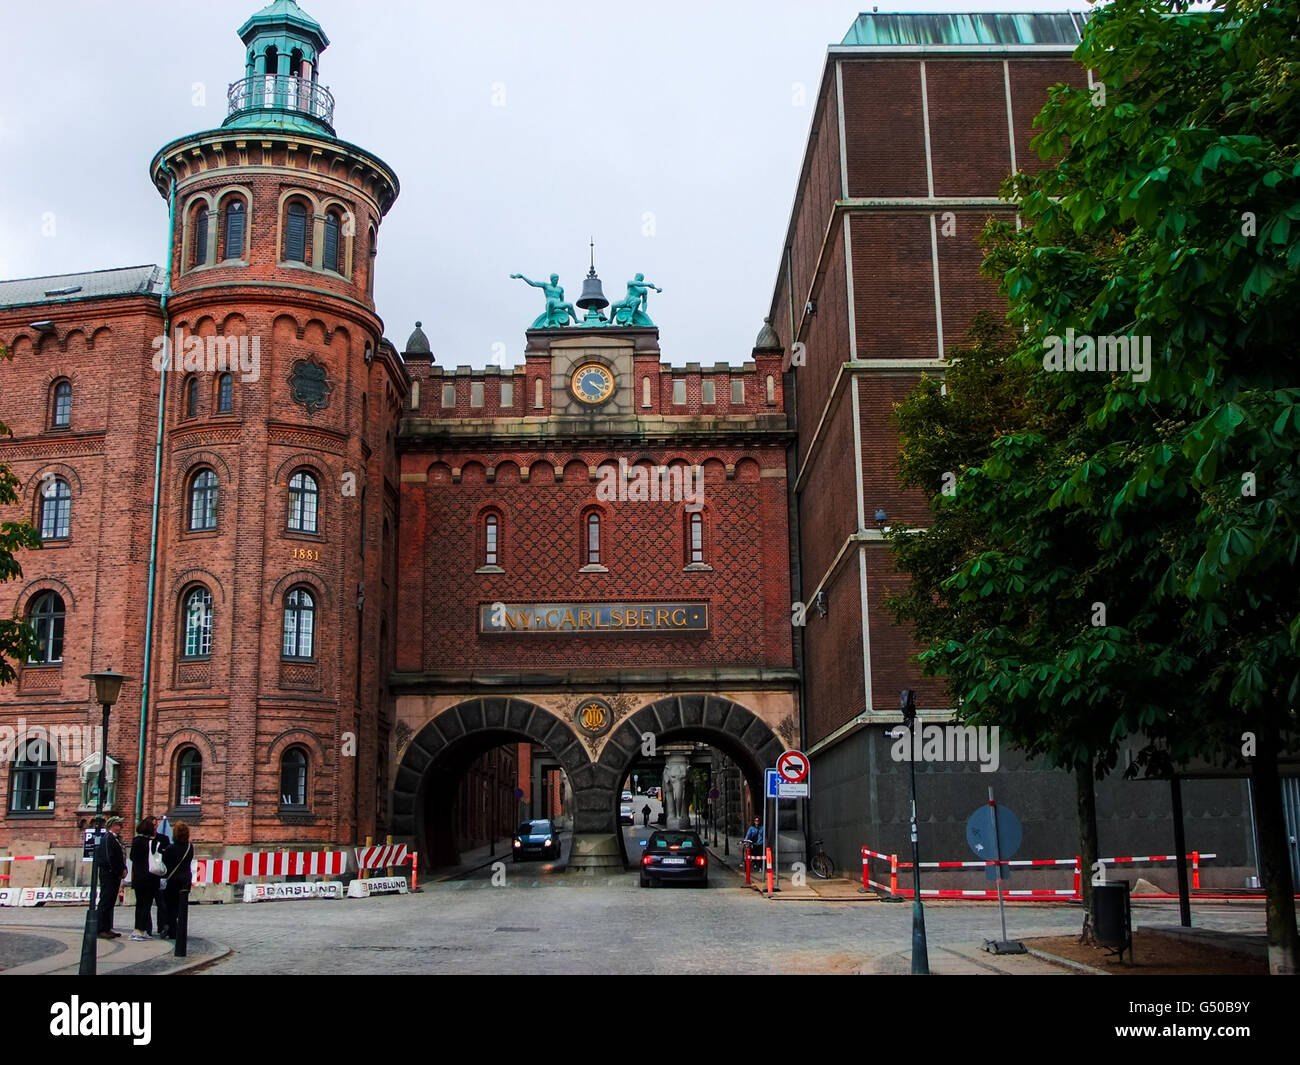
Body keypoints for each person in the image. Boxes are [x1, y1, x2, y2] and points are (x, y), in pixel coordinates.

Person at [159, 821, 193, 941]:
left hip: (172, 880)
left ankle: (172, 929)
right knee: (181, 906)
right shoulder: (190, 847)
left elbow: (165, 863)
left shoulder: (170, 848)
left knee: (170, 905)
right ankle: (180, 929)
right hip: (186, 880)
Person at [128, 817, 161, 941]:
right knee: (146, 905)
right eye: (154, 826)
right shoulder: (151, 843)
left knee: (140, 904)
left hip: (138, 877)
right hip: (150, 878)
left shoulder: (136, 841)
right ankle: (140, 930)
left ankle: (139, 929)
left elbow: (132, 857)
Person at [96, 816, 128, 939]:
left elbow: (119, 857)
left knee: (110, 901)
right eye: (118, 825)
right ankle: (101, 928)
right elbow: (110, 858)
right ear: (112, 826)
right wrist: (118, 871)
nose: (120, 827)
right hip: (109, 874)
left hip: (113, 874)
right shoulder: (108, 838)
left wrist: (123, 868)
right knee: (105, 900)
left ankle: (107, 927)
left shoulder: (115, 839)